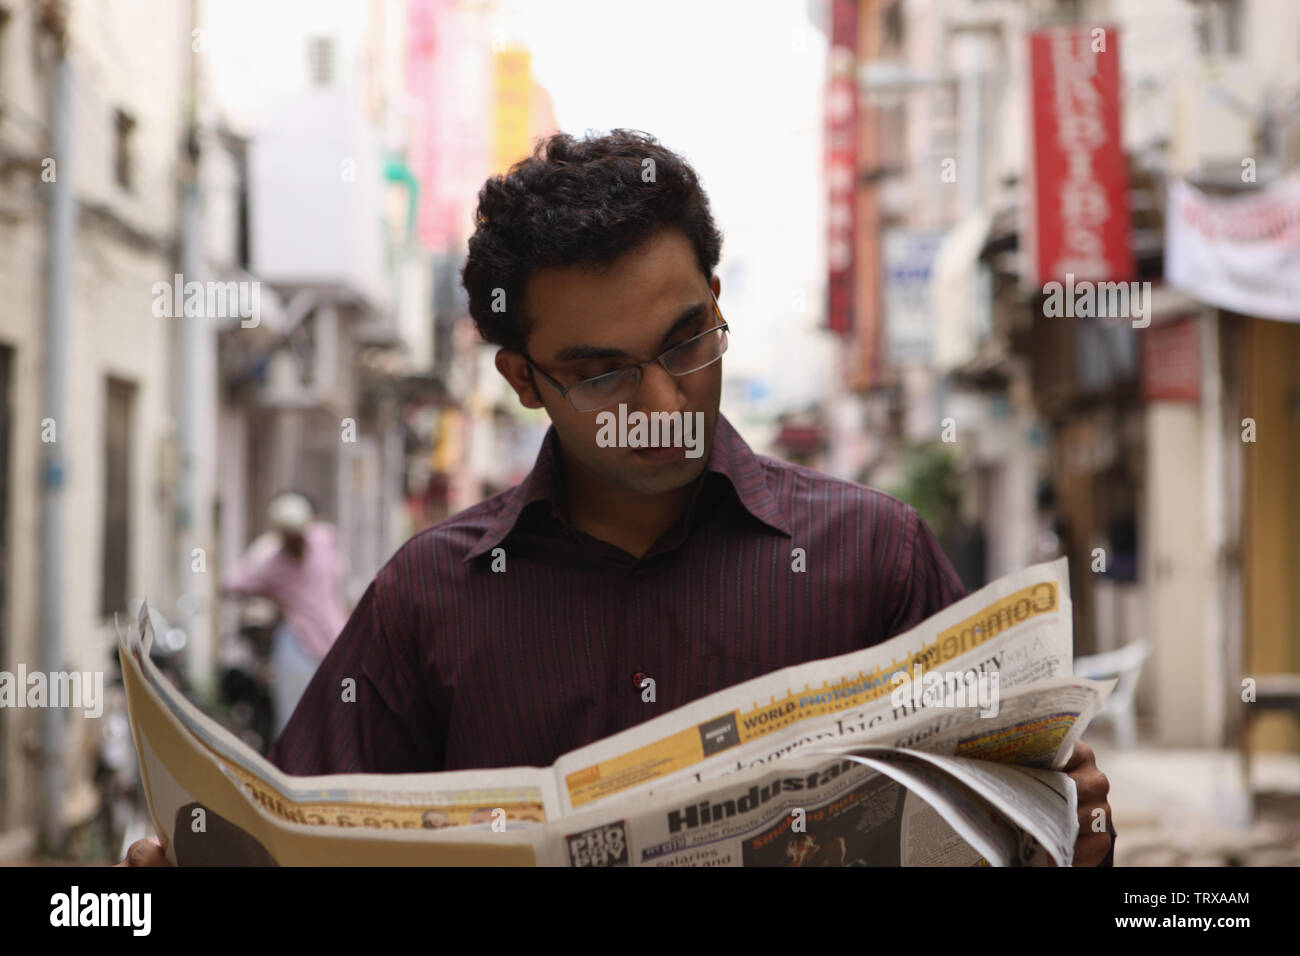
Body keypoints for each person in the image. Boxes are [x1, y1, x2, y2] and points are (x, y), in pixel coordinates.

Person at [121, 129, 1111, 867]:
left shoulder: (874, 555)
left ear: (720, 304)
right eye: (599, 372)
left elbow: (1008, 822)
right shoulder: (432, 597)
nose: (662, 400)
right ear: (521, 378)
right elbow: (297, 829)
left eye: (687, 341)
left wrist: (1071, 825)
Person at [219, 491, 349, 739]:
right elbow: (231, 582)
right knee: (295, 718)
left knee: (335, 716)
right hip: (300, 644)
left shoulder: (321, 542)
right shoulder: (274, 566)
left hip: (332, 641)